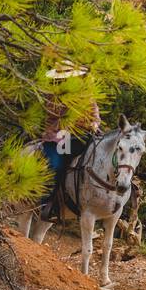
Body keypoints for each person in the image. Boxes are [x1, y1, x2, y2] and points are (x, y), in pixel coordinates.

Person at [39, 62, 102, 221]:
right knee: (57, 164)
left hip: (82, 136)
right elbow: (53, 116)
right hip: (59, 136)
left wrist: (94, 124)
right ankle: (48, 202)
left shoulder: (86, 94)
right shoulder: (53, 95)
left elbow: (95, 116)